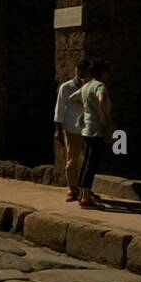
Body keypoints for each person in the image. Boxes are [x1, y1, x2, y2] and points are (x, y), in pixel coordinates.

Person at [70, 59, 113, 210]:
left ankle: (82, 194)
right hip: (96, 130)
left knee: (86, 162)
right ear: (102, 73)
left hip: (87, 129)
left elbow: (72, 98)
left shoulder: (86, 86)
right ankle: (86, 198)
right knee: (92, 164)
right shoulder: (100, 86)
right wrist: (102, 117)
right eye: (107, 72)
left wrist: (87, 108)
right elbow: (101, 99)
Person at [54, 59, 91, 202]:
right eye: (79, 70)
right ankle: (72, 188)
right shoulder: (66, 87)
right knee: (72, 160)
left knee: (87, 160)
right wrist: (58, 129)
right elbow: (59, 109)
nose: (81, 73)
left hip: (88, 128)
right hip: (72, 128)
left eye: (84, 70)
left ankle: (85, 188)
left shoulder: (90, 86)